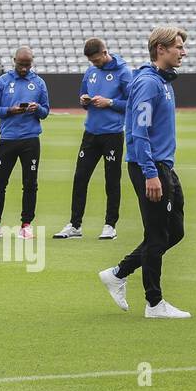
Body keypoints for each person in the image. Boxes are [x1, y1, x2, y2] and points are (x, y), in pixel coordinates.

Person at [99, 26, 191, 319]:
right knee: (156, 235)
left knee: (174, 231)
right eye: (179, 47)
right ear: (161, 49)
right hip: (149, 166)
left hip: (163, 166)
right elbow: (138, 132)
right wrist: (150, 173)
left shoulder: (163, 81)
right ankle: (154, 303)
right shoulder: (149, 83)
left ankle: (118, 273)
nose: (184, 52)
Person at [54, 37, 132, 241]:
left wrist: (110, 102)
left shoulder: (124, 72)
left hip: (112, 134)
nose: (94, 64)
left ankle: (110, 225)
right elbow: (84, 97)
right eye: (91, 61)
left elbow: (132, 103)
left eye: (96, 60)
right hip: (90, 133)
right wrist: (84, 101)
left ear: (105, 53)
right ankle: (75, 225)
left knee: (111, 180)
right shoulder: (90, 72)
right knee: (80, 178)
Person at [0, 45, 49, 240]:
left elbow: (45, 111)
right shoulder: (2, 81)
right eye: (21, 64)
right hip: (8, 139)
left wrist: (37, 108)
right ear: (14, 61)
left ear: (32, 63)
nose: (24, 68)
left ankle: (26, 225)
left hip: (30, 140)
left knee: (30, 184)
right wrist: (10, 110)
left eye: (28, 64)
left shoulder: (39, 83)